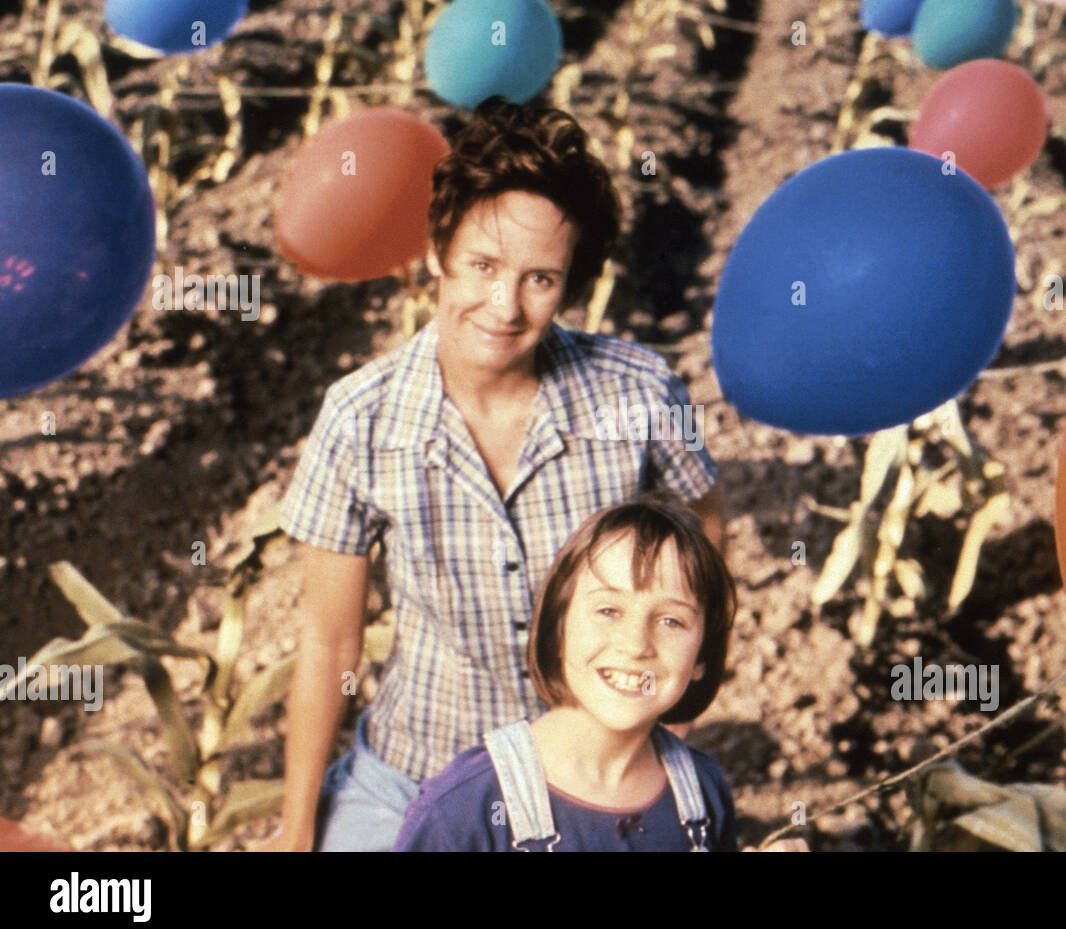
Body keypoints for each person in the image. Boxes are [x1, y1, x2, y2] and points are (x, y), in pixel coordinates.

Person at [262, 96, 724, 852]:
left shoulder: (639, 393)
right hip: (414, 773)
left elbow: (704, 526)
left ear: (570, 285)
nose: (504, 305)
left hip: (588, 786)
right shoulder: (359, 419)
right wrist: (296, 826)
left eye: (540, 278)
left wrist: (665, 712)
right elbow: (328, 643)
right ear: (437, 254)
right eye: (482, 265)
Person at [394, 499, 738, 852]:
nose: (636, 644)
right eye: (608, 610)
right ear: (558, 629)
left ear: (702, 656)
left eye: (671, 621)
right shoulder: (463, 810)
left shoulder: (703, 793)